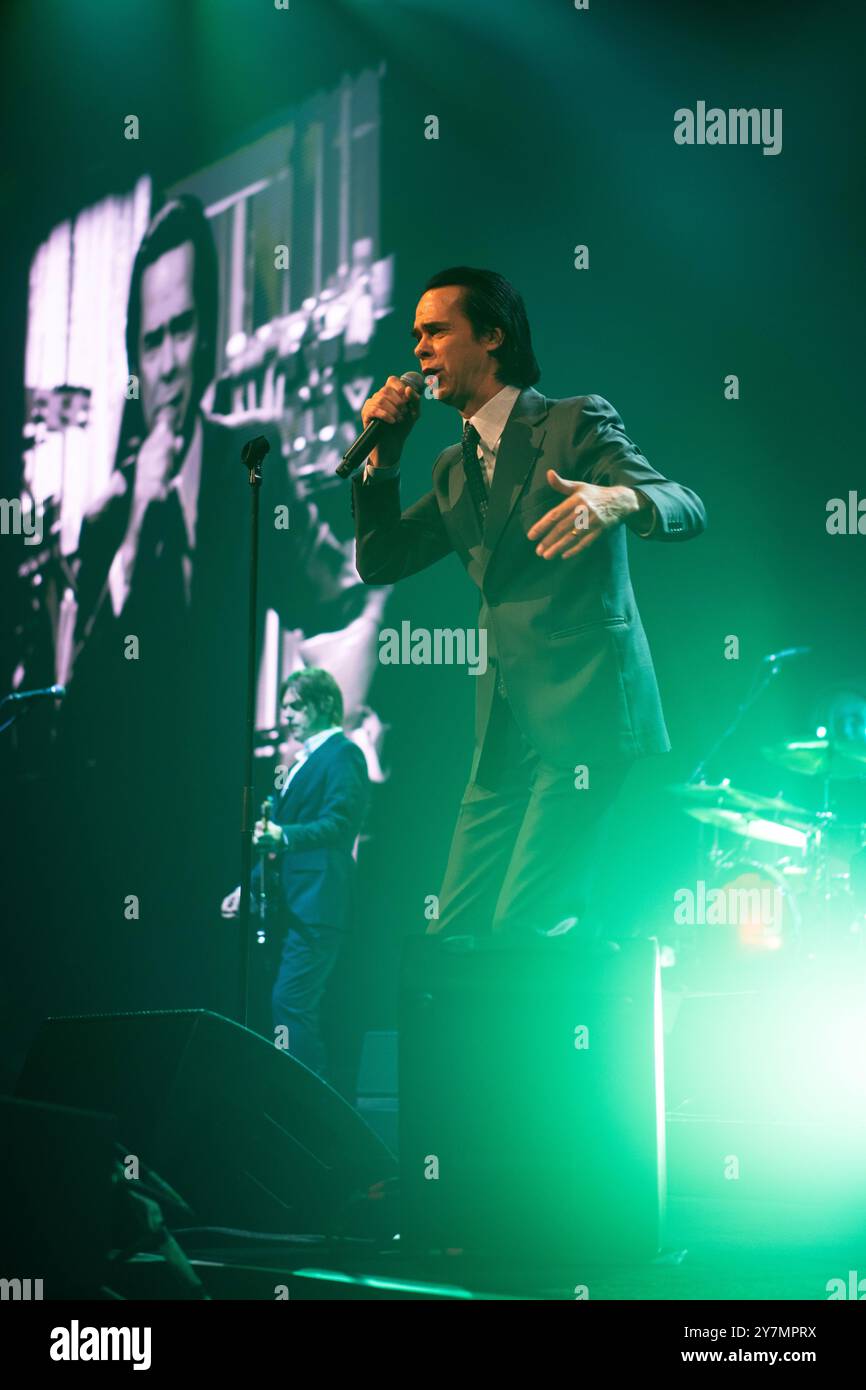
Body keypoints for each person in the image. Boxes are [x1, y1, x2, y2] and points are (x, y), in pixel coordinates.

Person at [352, 266, 707, 939]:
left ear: (492, 335)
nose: (419, 348)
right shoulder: (452, 468)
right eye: (414, 336)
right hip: (502, 732)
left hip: (585, 712)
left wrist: (619, 498)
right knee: (450, 937)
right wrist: (385, 461)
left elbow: (687, 504)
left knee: (522, 930)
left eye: (435, 331)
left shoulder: (573, 424)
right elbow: (382, 559)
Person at [66, 196, 373, 919]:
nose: (169, 363)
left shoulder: (252, 456)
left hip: (222, 855)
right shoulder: (107, 514)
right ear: (133, 356)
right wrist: (138, 526)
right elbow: (75, 710)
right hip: (114, 860)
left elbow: (336, 597)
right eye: (152, 341)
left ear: (207, 336)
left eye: (183, 330)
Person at [222, 668, 370, 1078]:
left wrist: (282, 835)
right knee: (289, 1005)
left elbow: (340, 824)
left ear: (323, 705)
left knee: (290, 1004)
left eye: (295, 706)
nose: (285, 715)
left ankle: (311, 1112)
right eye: (284, 706)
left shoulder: (343, 754)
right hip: (296, 904)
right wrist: (246, 887)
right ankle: (300, 1104)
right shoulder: (303, 761)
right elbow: (279, 845)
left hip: (319, 904)